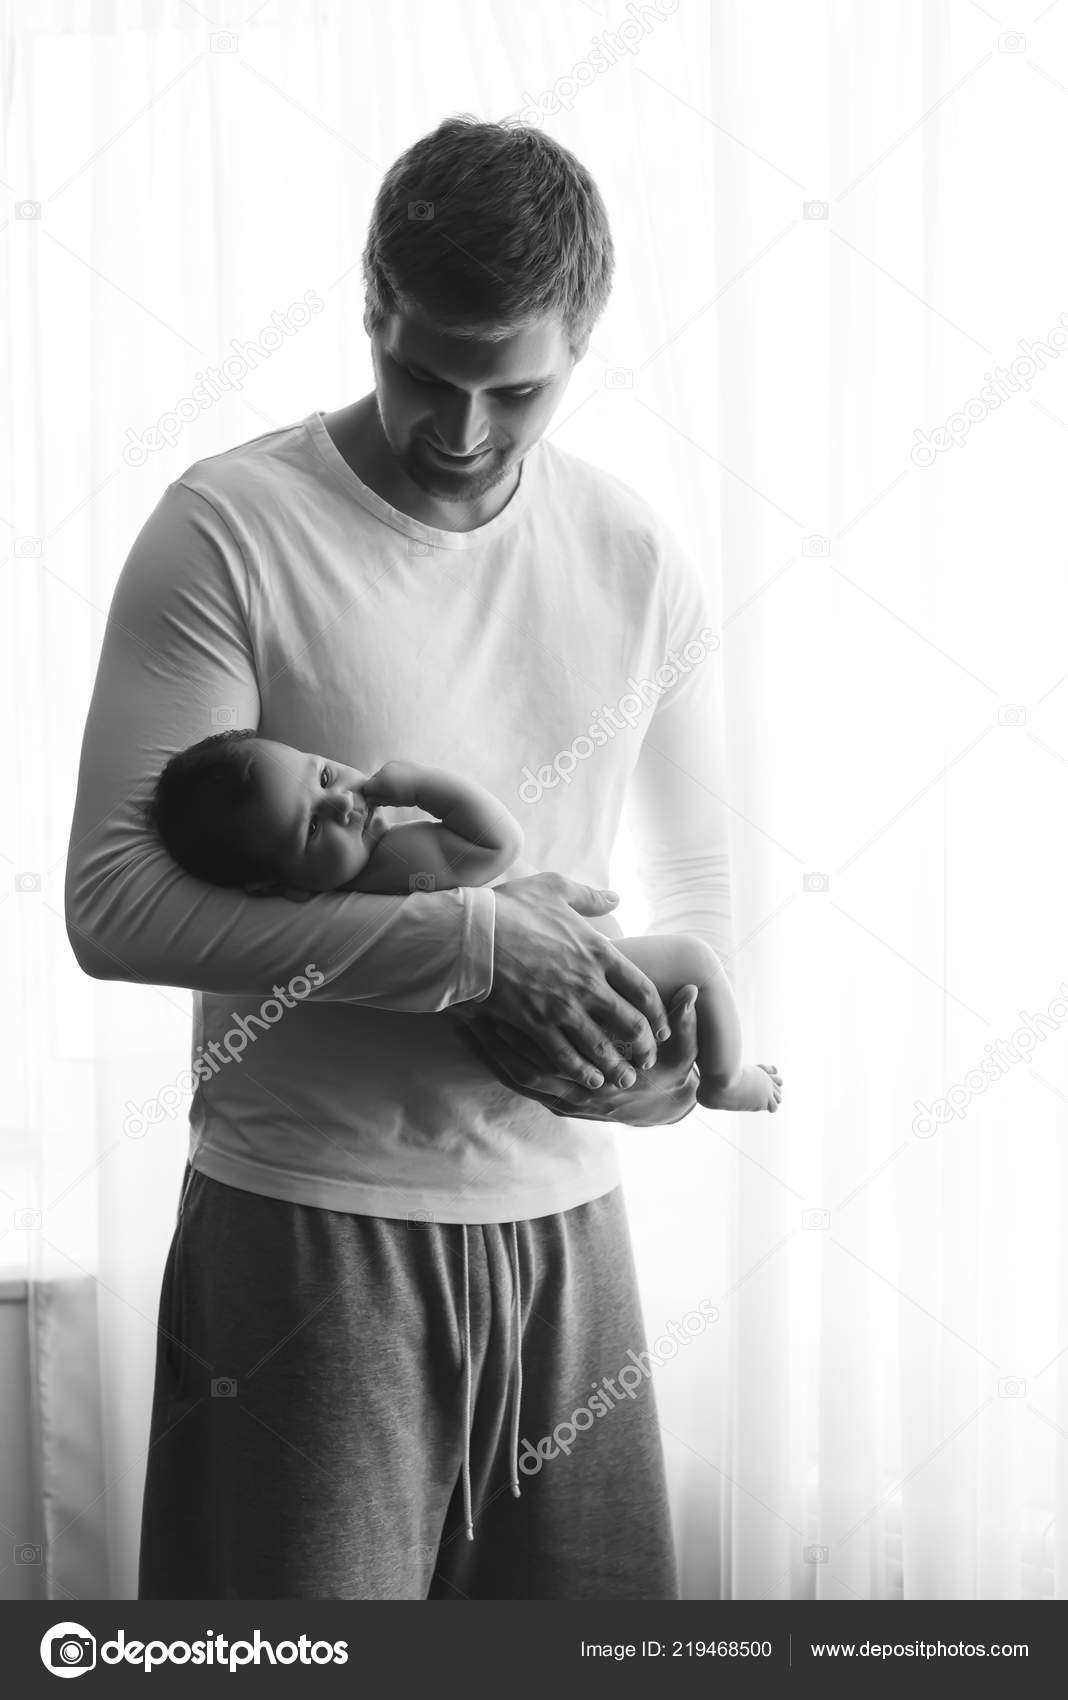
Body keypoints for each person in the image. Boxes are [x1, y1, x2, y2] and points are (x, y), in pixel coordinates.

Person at [65, 114, 765, 1599]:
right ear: (371, 303)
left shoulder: (636, 555)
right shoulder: (229, 530)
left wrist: (662, 1077)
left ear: (587, 341)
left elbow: (704, 877)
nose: (459, 430)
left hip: (574, 1226)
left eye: (515, 390)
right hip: (306, 1231)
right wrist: (473, 944)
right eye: (421, 374)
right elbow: (115, 904)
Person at [144, 732, 782, 1113]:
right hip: (598, 980)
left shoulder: (311, 910)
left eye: (326, 776)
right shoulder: (401, 856)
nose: (341, 803)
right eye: (312, 826)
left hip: (551, 1020)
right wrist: (422, 786)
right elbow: (498, 843)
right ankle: (727, 1081)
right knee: (698, 959)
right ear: (272, 879)